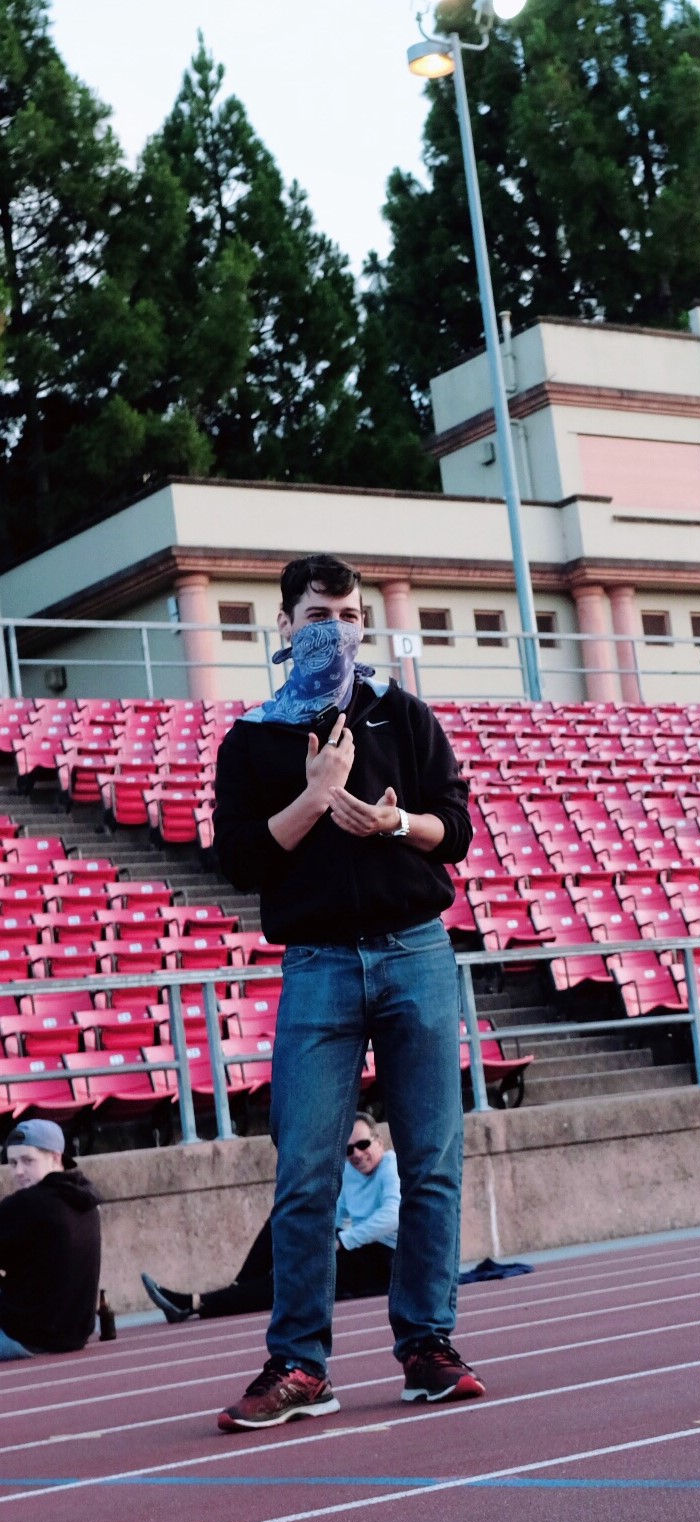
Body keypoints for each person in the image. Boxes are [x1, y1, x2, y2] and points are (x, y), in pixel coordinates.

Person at [210, 553, 484, 1431]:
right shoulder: (253, 737)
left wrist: (395, 822)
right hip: (319, 962)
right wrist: (316, 796)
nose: (341, 627)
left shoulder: (401, 713)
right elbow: (242, 859)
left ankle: (428, 1345)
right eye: (323, 613)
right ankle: (299, 1364)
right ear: (287, 624)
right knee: (305, 1171)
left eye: (353, 613)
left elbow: (456, 833)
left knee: (433, 1161)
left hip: (415, 950)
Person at [143, 1117, 399, 1321]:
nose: (356, 1154)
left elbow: (392, 1215)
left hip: (384, 1260)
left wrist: (342, 1241)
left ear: (378, 1141)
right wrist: (308, 1235)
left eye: (363, 1145)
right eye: (348, 1148)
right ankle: (237, 1286)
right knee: (284, 1221)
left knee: (296, 1280)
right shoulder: (351, 1170)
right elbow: (336, 1214)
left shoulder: (390, 1165)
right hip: (358, 1246)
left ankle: (196, 1303)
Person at [0, 1120, 102, 1361]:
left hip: (25, 1336)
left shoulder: (27, 1204)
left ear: (56, 1158)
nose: (19, 1172)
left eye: (28, 1161)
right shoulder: (87, 1201)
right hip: (75, 1333)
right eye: (13, 1163)